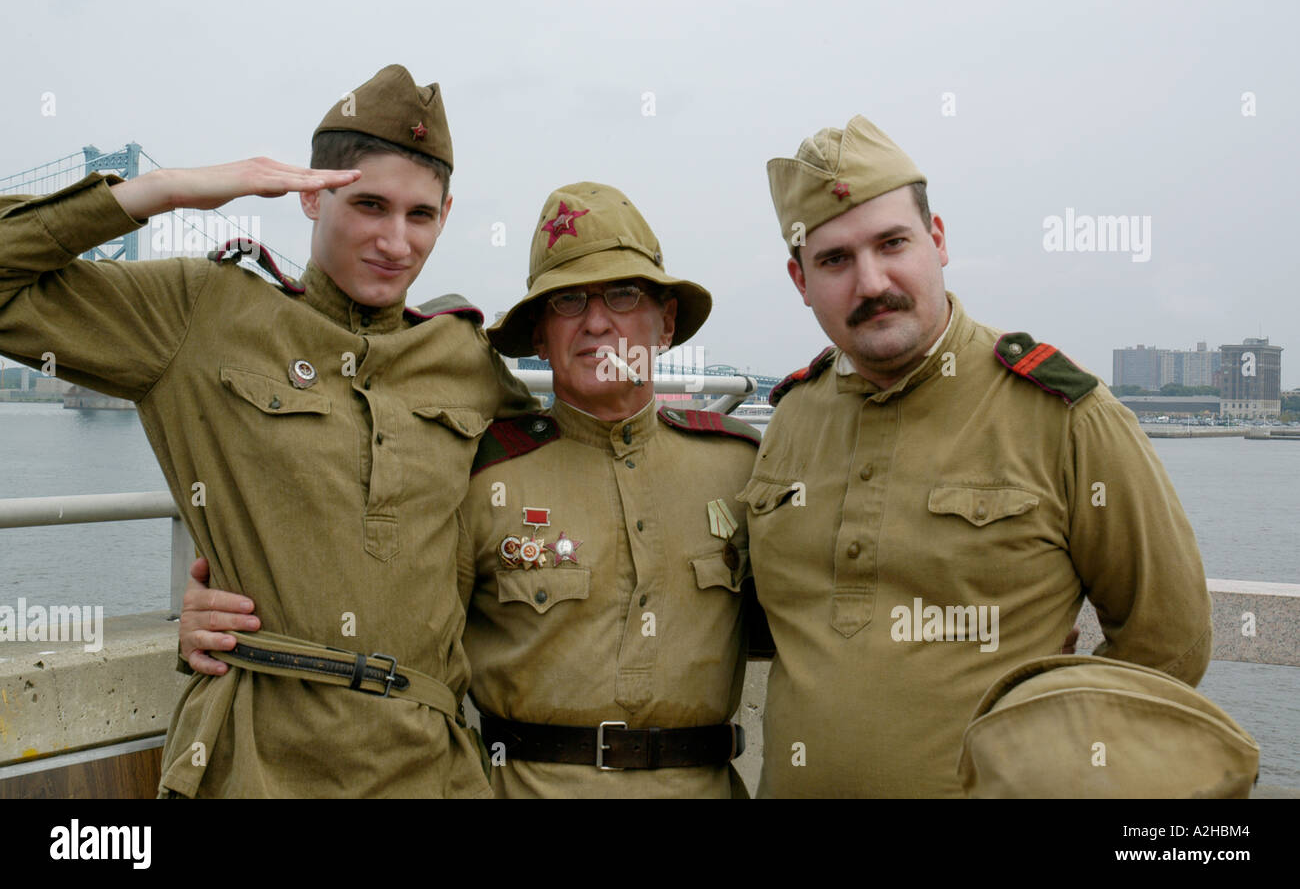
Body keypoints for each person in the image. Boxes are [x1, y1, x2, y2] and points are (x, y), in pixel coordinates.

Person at [0, 64, 535, 797]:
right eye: (368, 204)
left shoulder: (464, 358)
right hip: (257, 758)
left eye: (421, 215)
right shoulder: (198, 312)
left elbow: (570, 477)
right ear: (312, 196)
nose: (395, 241)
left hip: (427, 766)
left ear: (447, 214)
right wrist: (169, 190)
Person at [181, 182, 764, 797]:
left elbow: (815, 614)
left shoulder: (737, 468)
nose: (596, 323)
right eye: (566, 303)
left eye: (623, 295)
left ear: (666, 321)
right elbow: (385, 617)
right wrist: (222, 625)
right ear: (540, 337)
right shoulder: (478, 474)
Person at [744, 115, 1213, 798]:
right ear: (800, 278)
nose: (871, 282)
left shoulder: (1065, 415)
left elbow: (1170, 642)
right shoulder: (791, 417)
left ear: (937, 241)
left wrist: (1047, 756)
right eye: (835, 259)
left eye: (892, 243)